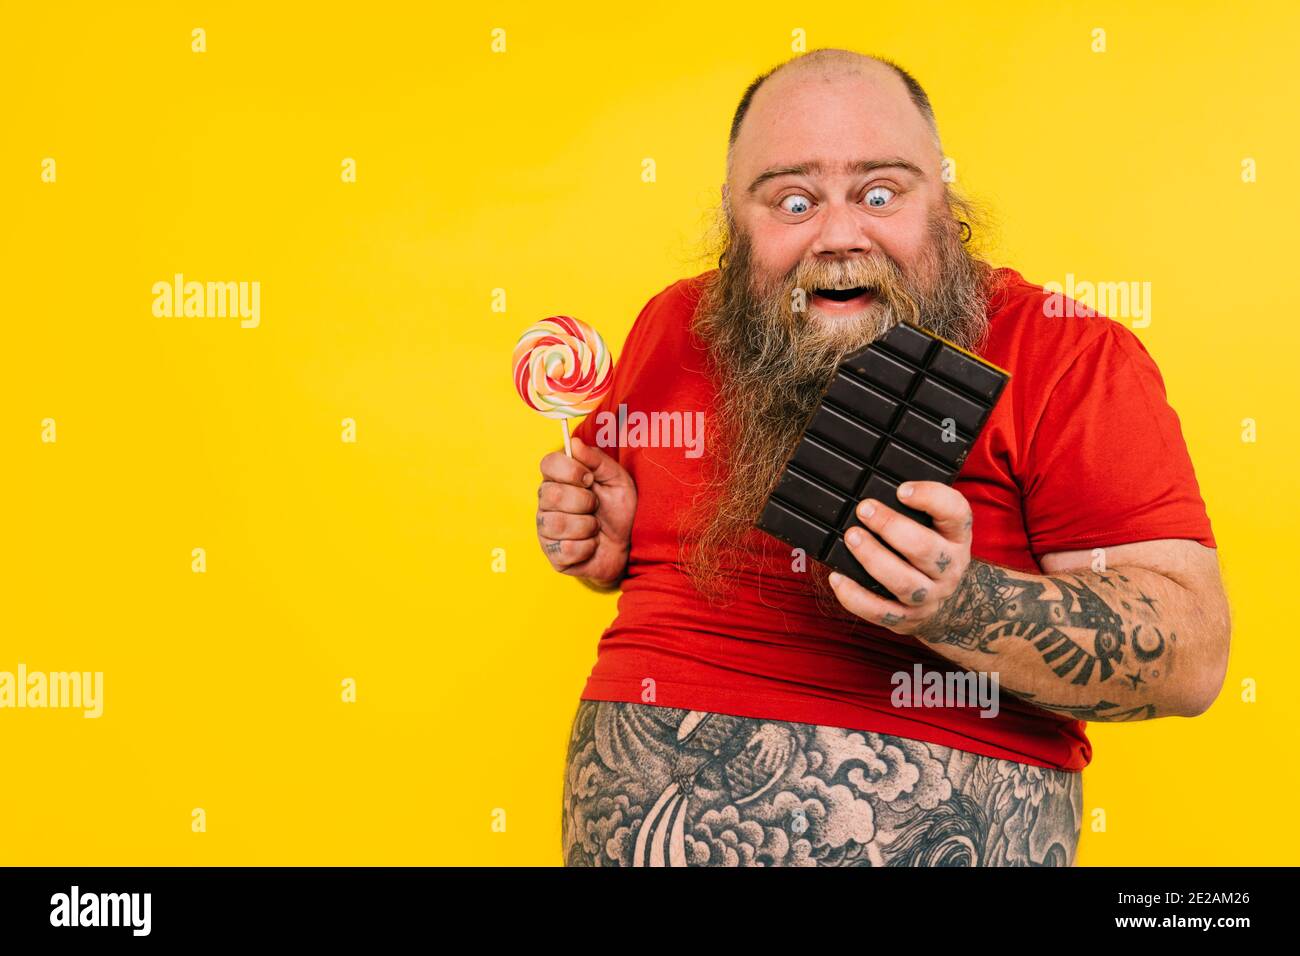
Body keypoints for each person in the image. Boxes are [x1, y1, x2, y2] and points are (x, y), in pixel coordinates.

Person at [540, 48, 1231, 867]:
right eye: (792, 201)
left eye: (879, 193)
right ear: (733, 218)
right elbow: (623, 558)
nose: (839, 235)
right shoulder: (677, 322)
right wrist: (597, 542)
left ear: (945, 200)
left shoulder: (1068, 354)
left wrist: (955, 601)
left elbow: (1189, 658)